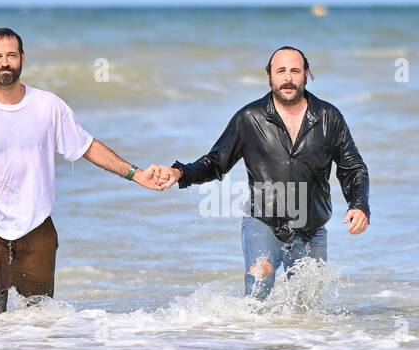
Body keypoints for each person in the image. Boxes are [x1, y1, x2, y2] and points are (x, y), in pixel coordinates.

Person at [0, 27, 168, 314]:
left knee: (39, 322)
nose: (5, 62)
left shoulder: (49, 106)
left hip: (37, 229)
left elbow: (87, 147)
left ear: (22, 57)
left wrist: (136, 174)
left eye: (11, 54)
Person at [159, 46, 370, 299]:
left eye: (295, 71)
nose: (288, 78)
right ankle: (252, 337)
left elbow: (352, 167)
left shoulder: (329, 117)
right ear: (269, 75)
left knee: (307, 309)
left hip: (311, 227)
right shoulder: (249, 118)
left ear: (306, 74)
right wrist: (180, 173)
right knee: (261, 278)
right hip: (263, 220)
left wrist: (358, 205)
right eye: (281, 71)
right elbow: (216, 162)